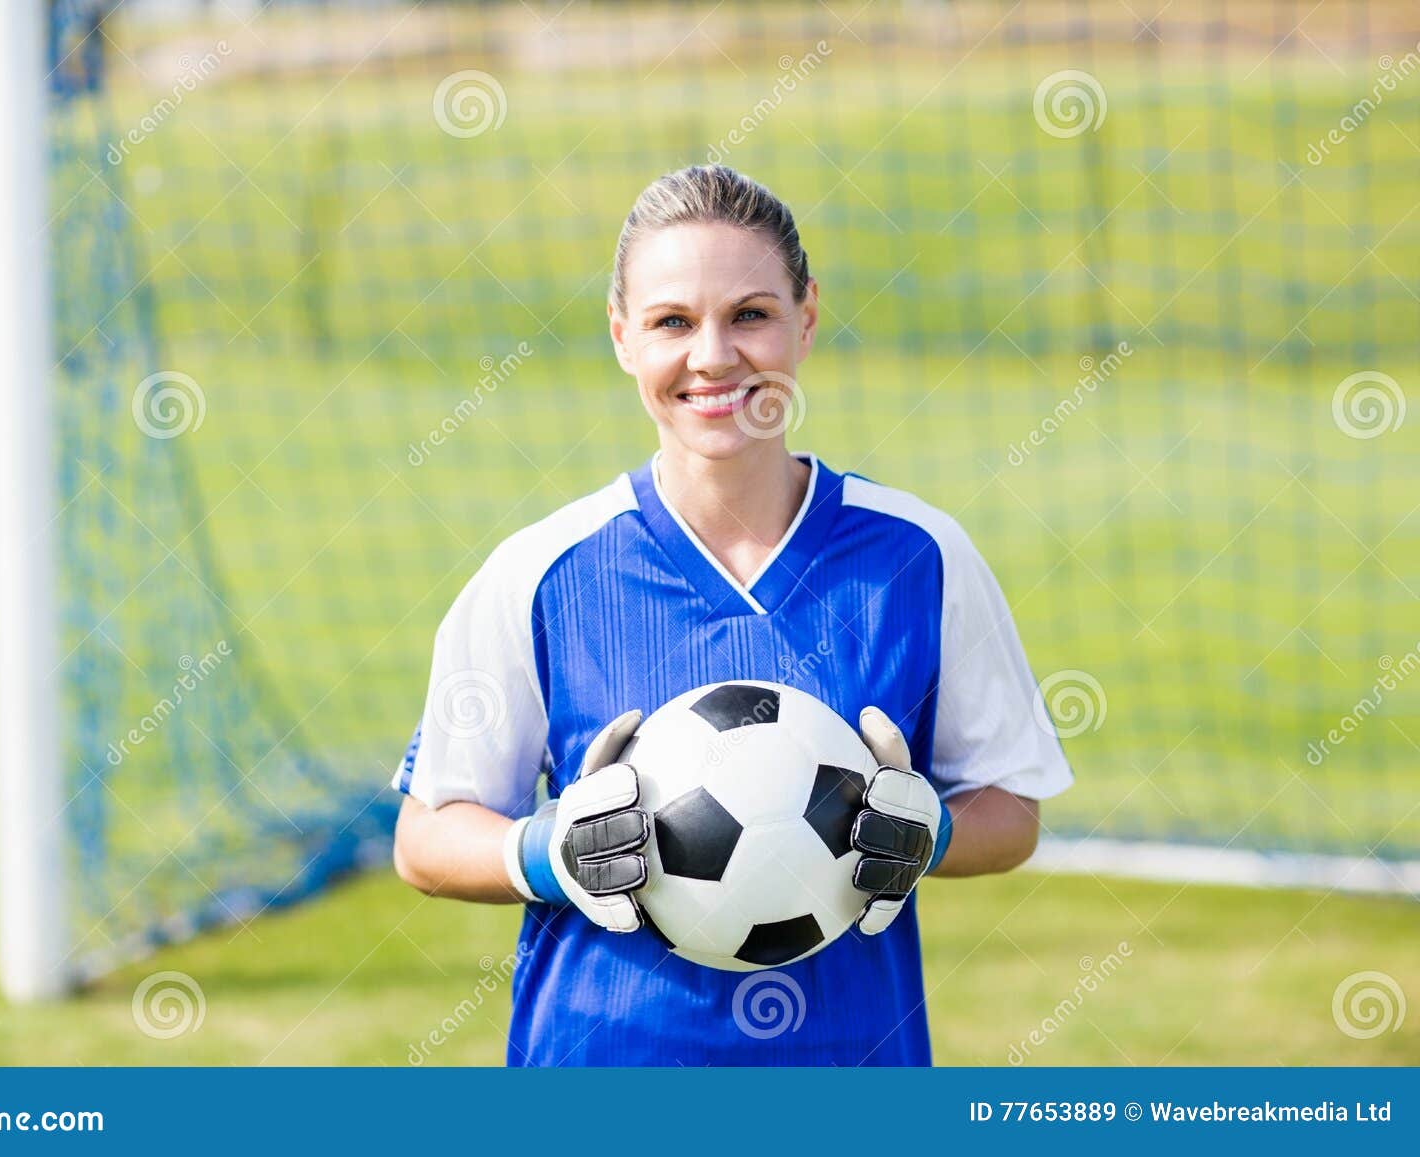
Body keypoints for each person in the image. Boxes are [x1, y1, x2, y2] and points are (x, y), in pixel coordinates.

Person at [391, 164, 1071, 1065]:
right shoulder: (541, 573)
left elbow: (1012, 810)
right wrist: (544, 851)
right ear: (623, 335)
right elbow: (426, 837)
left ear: (808, 317)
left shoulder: (919, 557)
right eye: (673, 320)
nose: (712, 356)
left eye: (749, 313)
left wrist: (934, 831)